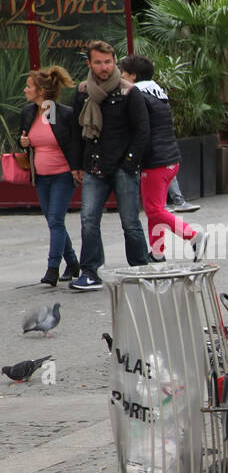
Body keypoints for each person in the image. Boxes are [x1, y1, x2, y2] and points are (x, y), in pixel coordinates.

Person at [69, 39, 149, 290]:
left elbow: (142, 130)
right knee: (88, 219)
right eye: (98, 62)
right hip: (94, 166)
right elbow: (75, 130)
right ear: (90, 64)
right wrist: (77, 164)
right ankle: (90, 271)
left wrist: (129, 163)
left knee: (130, 222)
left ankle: (141, 270)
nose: (104, 67)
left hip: (123, 166)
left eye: (108, 62)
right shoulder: (83, 91)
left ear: (114, 61)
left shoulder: (129, 91)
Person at [118, 55, 206, 262]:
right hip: (170, 159)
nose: (120, 78)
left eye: (123, 75)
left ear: (133, 75)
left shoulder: (137, 94)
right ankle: (157, 252)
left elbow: (140, 130)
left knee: (154, 209)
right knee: (154, 208)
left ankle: (193, 236)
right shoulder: (158, 92)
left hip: (154, 161)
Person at [18, 66, 81, 287]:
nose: (25, 90)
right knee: (55, 222)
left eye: (29, 86)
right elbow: (25, 139)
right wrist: (23, 142)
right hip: (41, 178)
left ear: (42, 91)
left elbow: (72, 143)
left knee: (55, 220)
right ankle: (73, 264)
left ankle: (52, 269)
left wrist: (76, 168)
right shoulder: (28, 112)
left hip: (62, 175)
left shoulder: (60, 113)